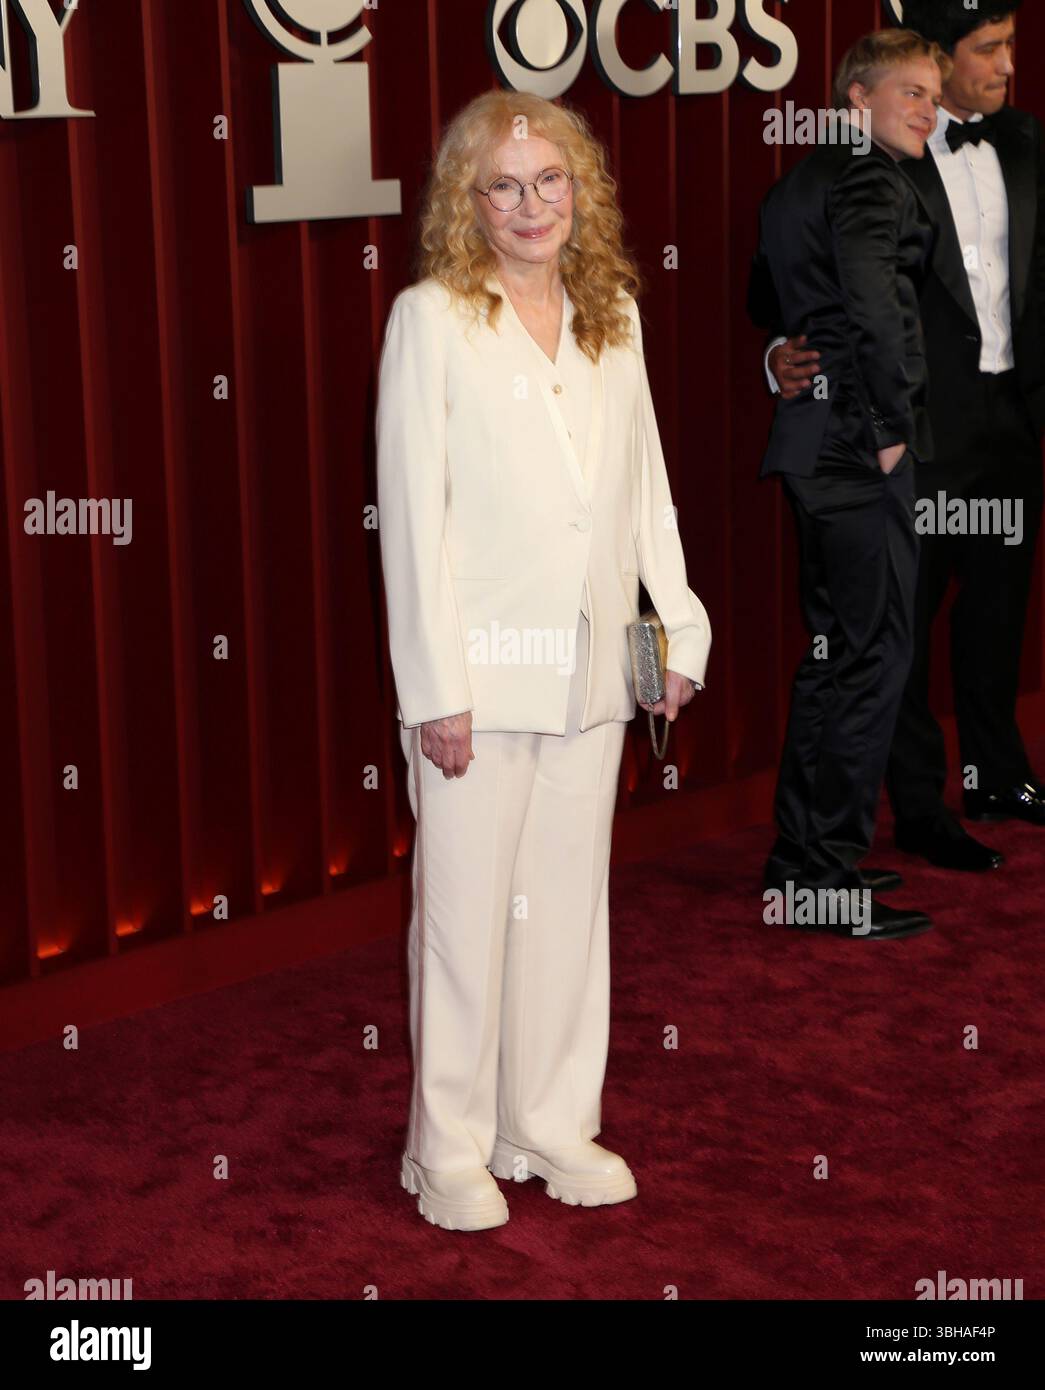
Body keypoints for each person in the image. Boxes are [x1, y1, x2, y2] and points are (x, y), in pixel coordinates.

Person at [375, 90, 711, 1230]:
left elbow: (647, 497)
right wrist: (436, 694)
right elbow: (413, 521)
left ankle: (550, 1122)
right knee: (465, 920)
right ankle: (451, 1147)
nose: (531, 206)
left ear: (583, 191)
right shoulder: (431, 319)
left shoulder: (607, 312)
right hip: (478, 677)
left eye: (550, 180)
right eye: (505, 186)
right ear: (469, 204)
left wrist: (676, 632)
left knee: (566, 915)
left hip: (587, 676)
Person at [769, 1, 1045, 873]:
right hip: (900, 439)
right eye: (989, 48)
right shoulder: (870, 167)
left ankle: (984, 782)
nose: (1007, 63)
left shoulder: (1024, 144)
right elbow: (824, 295)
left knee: (968, 621)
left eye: (1010, 43)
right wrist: (790, 359)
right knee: (887, 640)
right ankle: (891, 827)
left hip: (999, 424)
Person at [748, 30, 950, 939]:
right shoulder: (869, 177)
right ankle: (818, 875)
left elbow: (769, 294)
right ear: (854, 97)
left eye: (933, 95)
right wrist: (889, 437)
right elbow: (873, 311)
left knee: (836, 656)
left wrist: (790, 353)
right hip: (858, 452)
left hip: (812, 444)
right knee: (872, 659)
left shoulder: (796, 181)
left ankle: (804, 863)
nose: (928, 109)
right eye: (909, 90)